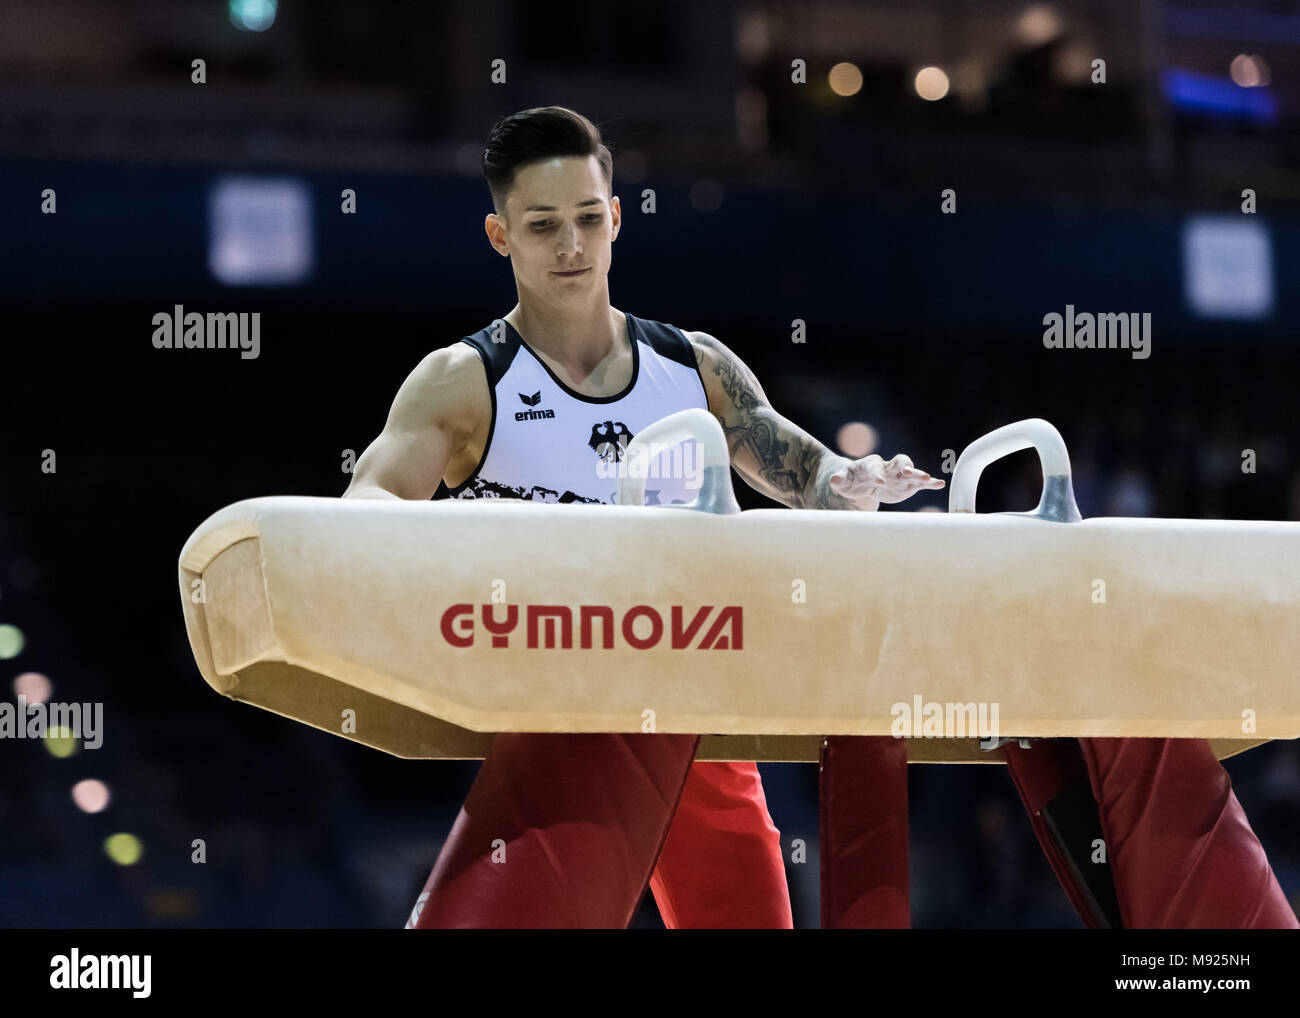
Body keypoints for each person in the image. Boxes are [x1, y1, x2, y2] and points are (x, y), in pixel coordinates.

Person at [342, 105, 943, 928]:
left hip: (696, 725)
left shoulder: (692, 369)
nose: (572, 246)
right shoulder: (464, 383)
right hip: (559, 723)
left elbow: (808, 473)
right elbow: (365, 511)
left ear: (617, 217)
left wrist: (857, 479)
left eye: (590, 219)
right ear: (499, 236)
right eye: (543, 225)